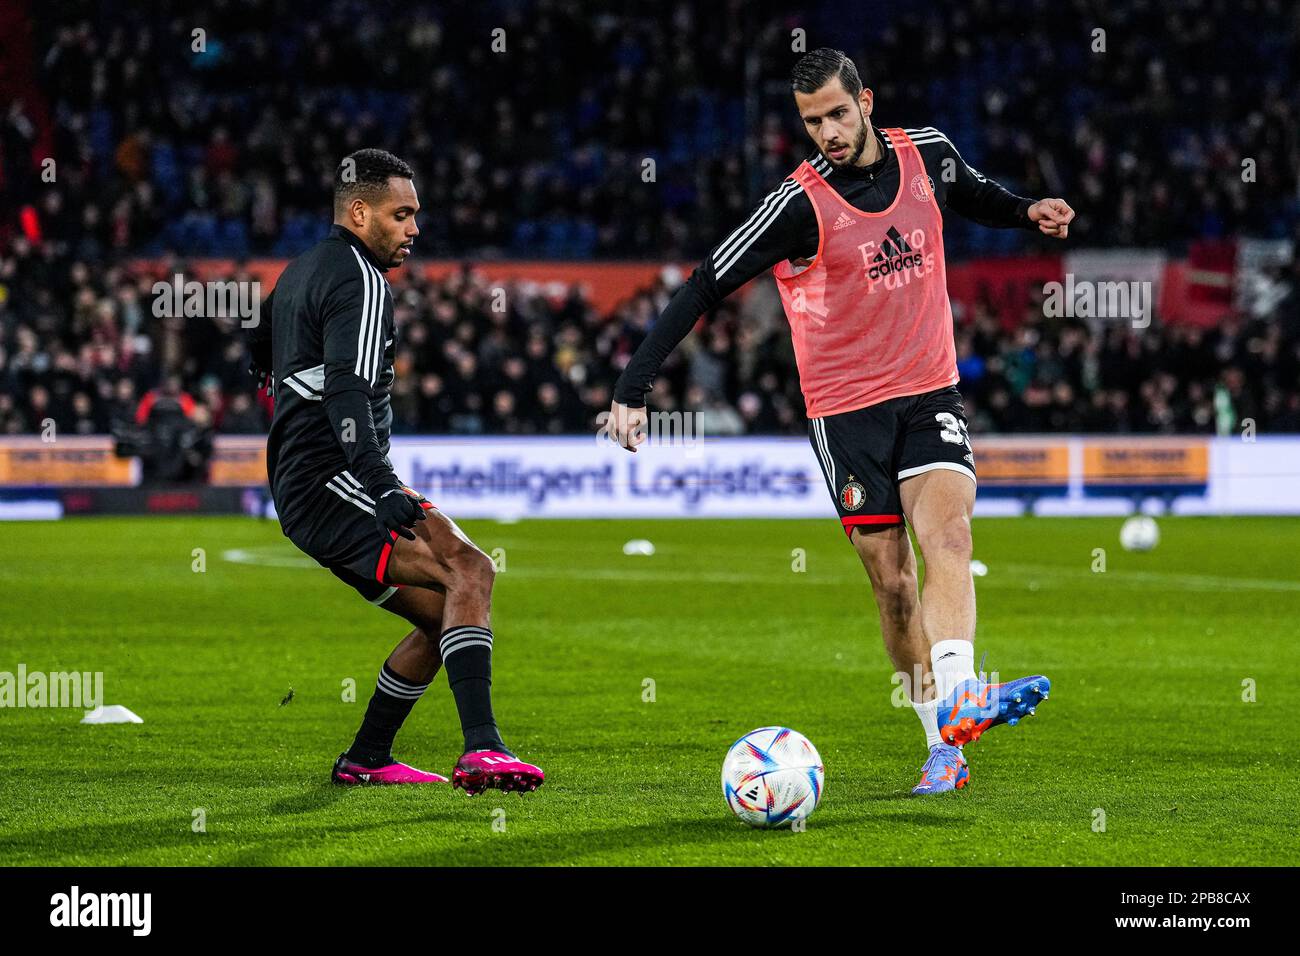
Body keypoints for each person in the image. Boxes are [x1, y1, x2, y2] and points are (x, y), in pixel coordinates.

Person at [603, 50, 1072, 795]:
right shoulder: (797, 203)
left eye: (836, 113)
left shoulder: (928, 154)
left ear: (866, 102)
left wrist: (1025, 212)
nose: (826, 130)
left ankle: (962, 699)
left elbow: (973, 193)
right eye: (811, 120)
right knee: (893, 588)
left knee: (949, 535)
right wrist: (633, 388)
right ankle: (941, 747)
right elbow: (706, 282)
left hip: (930, 393)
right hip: (846, 414)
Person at [250, 148, 543, 794]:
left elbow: (268, 320)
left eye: (416, 215)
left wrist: (261, 360)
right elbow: (348, 393)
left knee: (448, 613)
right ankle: (483, 749)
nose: (415, 229)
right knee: (472, 569)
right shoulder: (361, 279)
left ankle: (367, 757)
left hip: (308, 481)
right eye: (401, 214)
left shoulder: (303, 268)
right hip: (334, 475)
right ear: (360, 212)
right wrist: (380, 485)